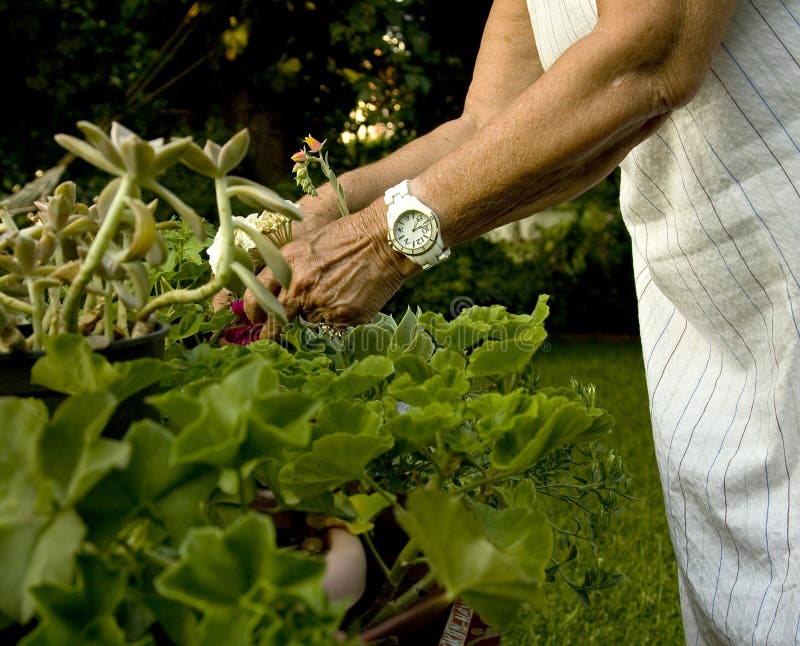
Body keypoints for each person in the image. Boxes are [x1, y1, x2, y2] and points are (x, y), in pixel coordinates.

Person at [240, 1, 800, 643]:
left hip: (787, 238)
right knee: (741, 572)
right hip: (698, 288)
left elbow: (652, 52)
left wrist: (378, 245)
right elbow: (489, 122)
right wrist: (322, 211)